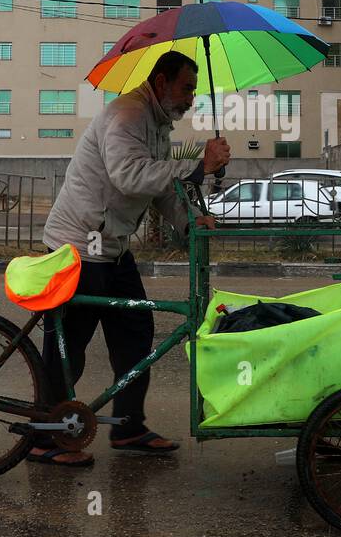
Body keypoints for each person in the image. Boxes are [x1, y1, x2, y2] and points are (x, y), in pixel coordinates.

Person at [33, 51, 230, 467]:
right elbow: (129, 175)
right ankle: (44, 438)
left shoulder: (156, 124)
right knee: (70, 345)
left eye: (194, 90)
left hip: (112, 247)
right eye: (186, 88)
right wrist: (197, 165)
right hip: (79, 247)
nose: (191, 99)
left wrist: (192, 222)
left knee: (136, 334)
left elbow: (159, 188)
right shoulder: (126, 116)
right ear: (161, 83)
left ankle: (128, 426)